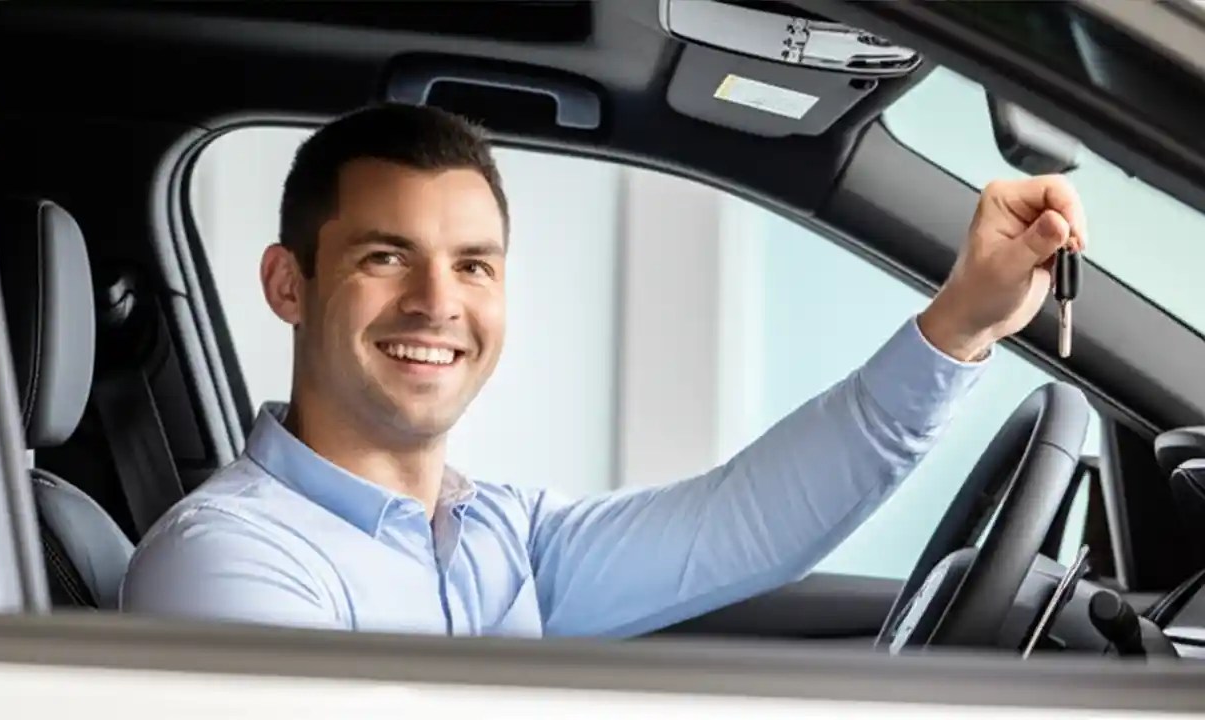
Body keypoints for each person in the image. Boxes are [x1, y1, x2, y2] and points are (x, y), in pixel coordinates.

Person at [120, 103, 1087, 637]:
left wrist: (960, 323)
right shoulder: (227, 563)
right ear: (288, 284)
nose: (435, 302)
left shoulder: (498, 535)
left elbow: (746, 522)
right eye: (384, 257)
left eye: (474, 265)